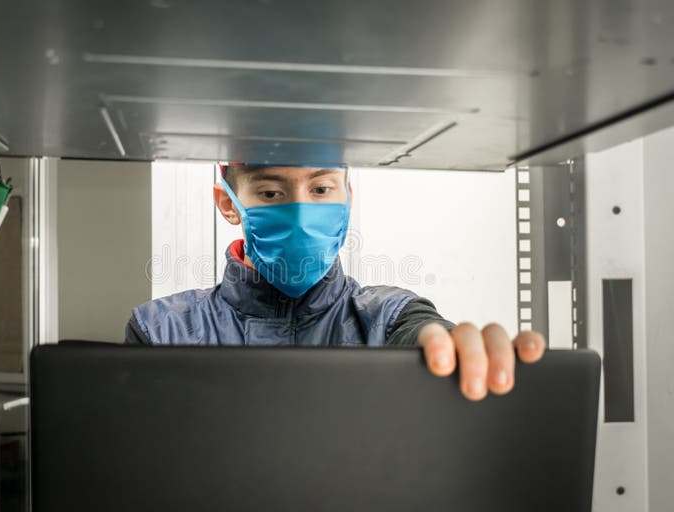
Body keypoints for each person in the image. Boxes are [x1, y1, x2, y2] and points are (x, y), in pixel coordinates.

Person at [126, 163, 545, 401]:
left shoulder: (390, 315)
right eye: (271, 193)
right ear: (228, 204)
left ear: (347, 196)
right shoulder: (159, 330)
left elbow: (421, 334)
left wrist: (452, 357)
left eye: (322, 188)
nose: (302, 212)